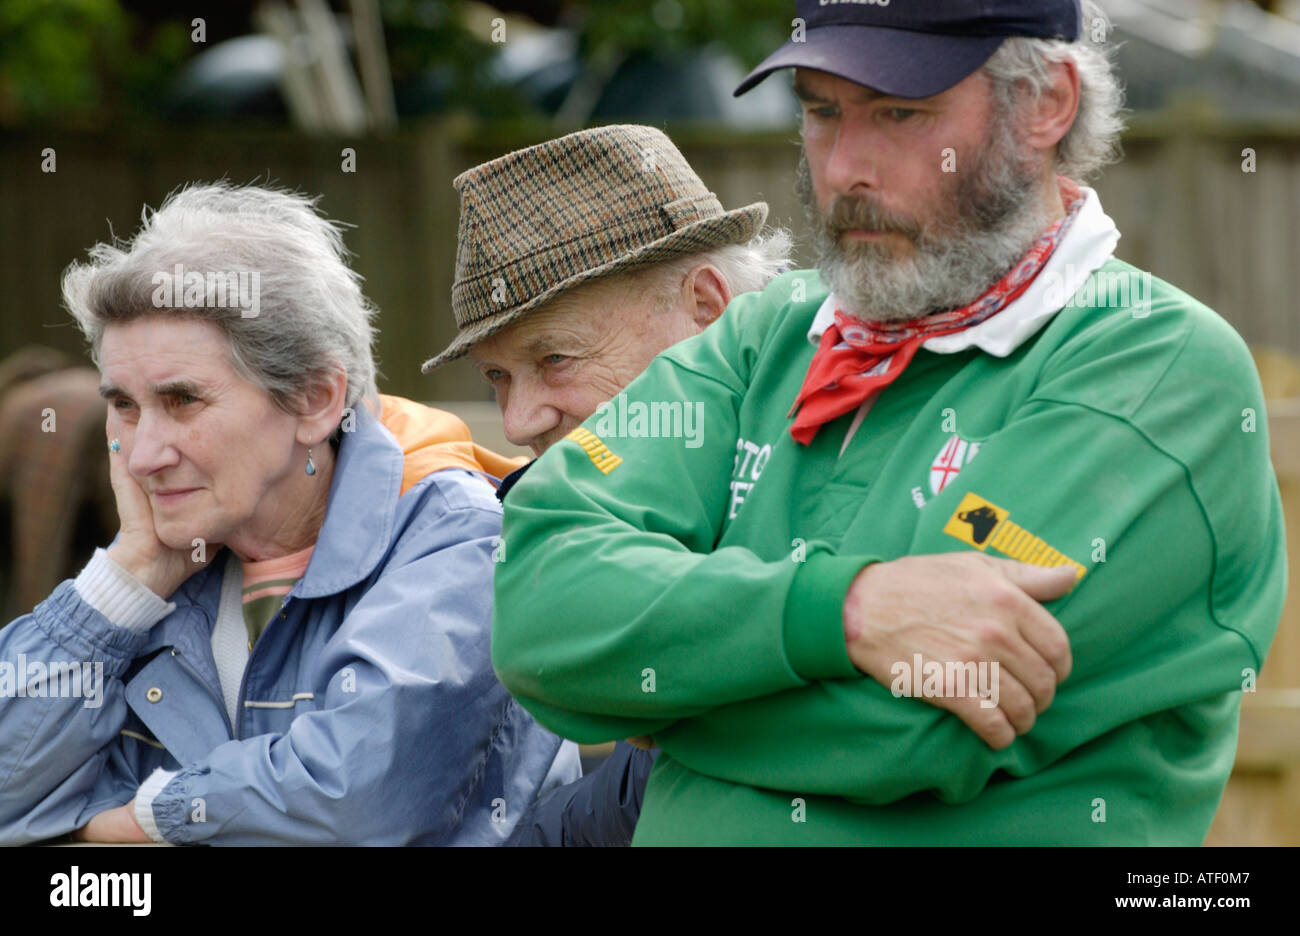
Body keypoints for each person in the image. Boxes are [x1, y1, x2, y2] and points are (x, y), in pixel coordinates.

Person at [490, 0, 1286, 845]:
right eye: (821, 110)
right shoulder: (770, 332)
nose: (844, 168)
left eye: (900, 112)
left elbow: (914, 726)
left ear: (1046, 104)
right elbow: (535, 611)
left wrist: (654, 688)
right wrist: (847, 612)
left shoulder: (1160, 364)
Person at [428, 124, 1079, 844]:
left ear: (707, 307)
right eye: (497, 378)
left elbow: (921, 741)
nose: (517, 421)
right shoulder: (605, 489)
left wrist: (665, 702)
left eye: (553, 359)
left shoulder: (884, 438)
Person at [0, 182, 577, 845]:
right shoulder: (173, 558)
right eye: (125, 406)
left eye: (183, 400)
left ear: (315, 400)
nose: (144, 455)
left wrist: (130, 826)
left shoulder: (460, 541)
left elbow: (355, 800)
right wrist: (125, 579)